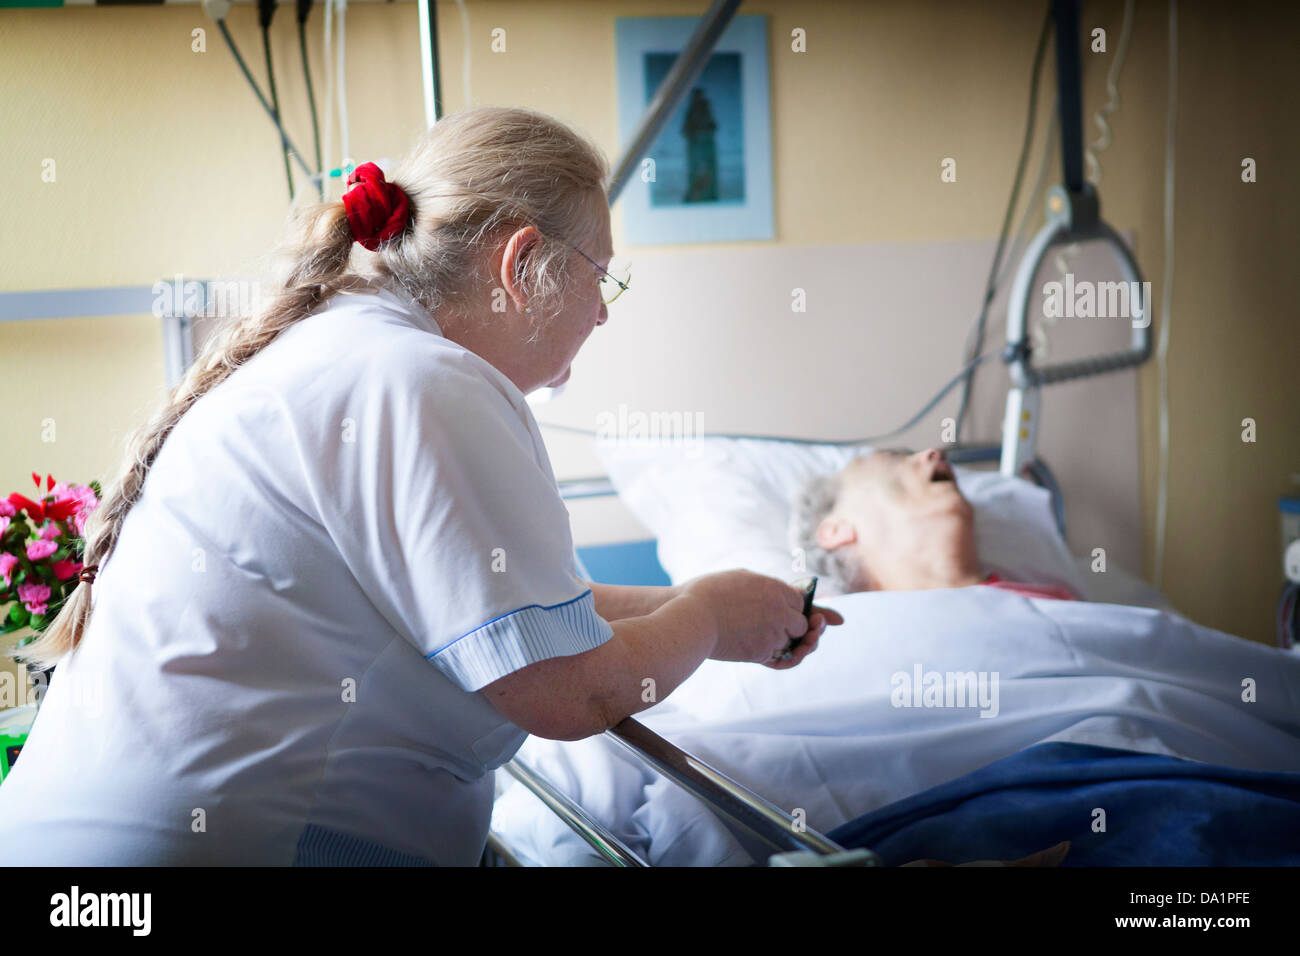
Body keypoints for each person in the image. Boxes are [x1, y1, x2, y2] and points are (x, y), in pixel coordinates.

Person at [0, 107, 841, 866]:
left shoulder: (354, 349)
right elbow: (573, 691)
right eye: (602, 277)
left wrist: (693, 598)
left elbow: (522, 616)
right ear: (522, 263)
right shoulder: (424, 382)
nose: (602, 314)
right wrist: (709, 617)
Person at [790, 447, 1077, 600]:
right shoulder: (843, 641)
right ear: (835, 531)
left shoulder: (1060, 605)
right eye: (894, 462)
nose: (933, 453)